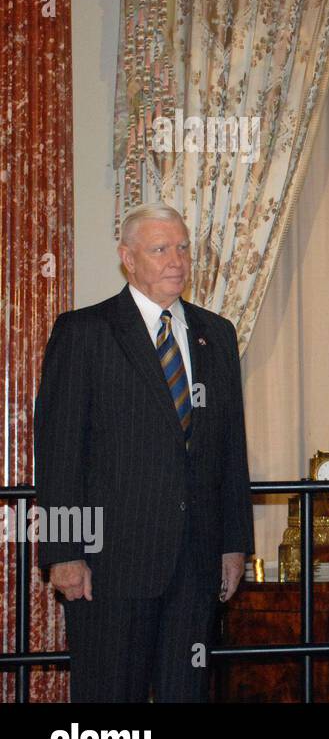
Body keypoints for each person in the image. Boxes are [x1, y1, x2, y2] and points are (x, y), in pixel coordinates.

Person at [35, 203, 254, 702]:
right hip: (109, 568)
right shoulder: (84, 332)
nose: (176, 259)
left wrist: (234, 543)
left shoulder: (215, 334)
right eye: (160, 249)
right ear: (128, 259)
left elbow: (230, 450)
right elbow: (59, 452)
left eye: (181, 247)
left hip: (196, 565)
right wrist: (65, 554)